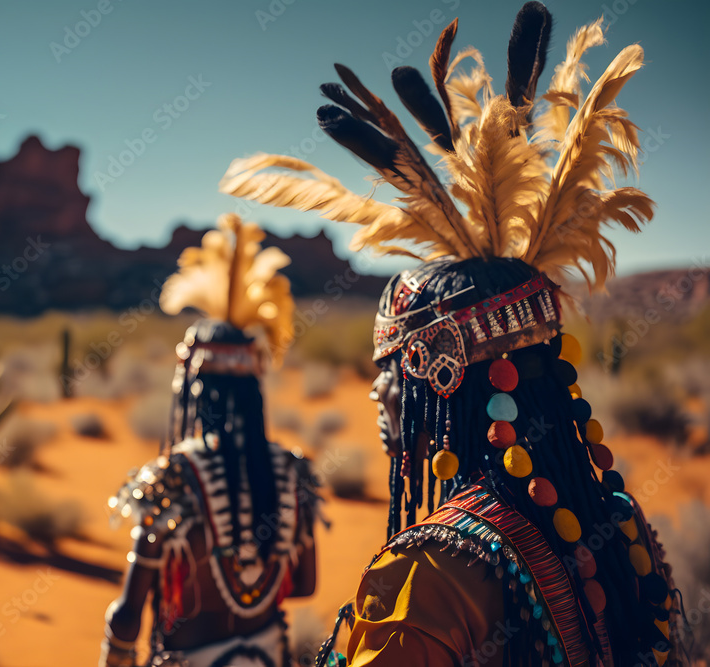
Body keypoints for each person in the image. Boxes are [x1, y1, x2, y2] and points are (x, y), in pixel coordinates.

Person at [219, 3, 686, 664]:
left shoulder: (429, 576)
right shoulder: (610, 519)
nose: (378, 398)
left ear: (441, 372)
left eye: (392, 376)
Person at [100, 214, 321, 667]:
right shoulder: (292, 471)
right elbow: (303, 586)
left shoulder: (173, 478)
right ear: (253, 389)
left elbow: (128, 615)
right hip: (267, 654)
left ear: (195, 389)